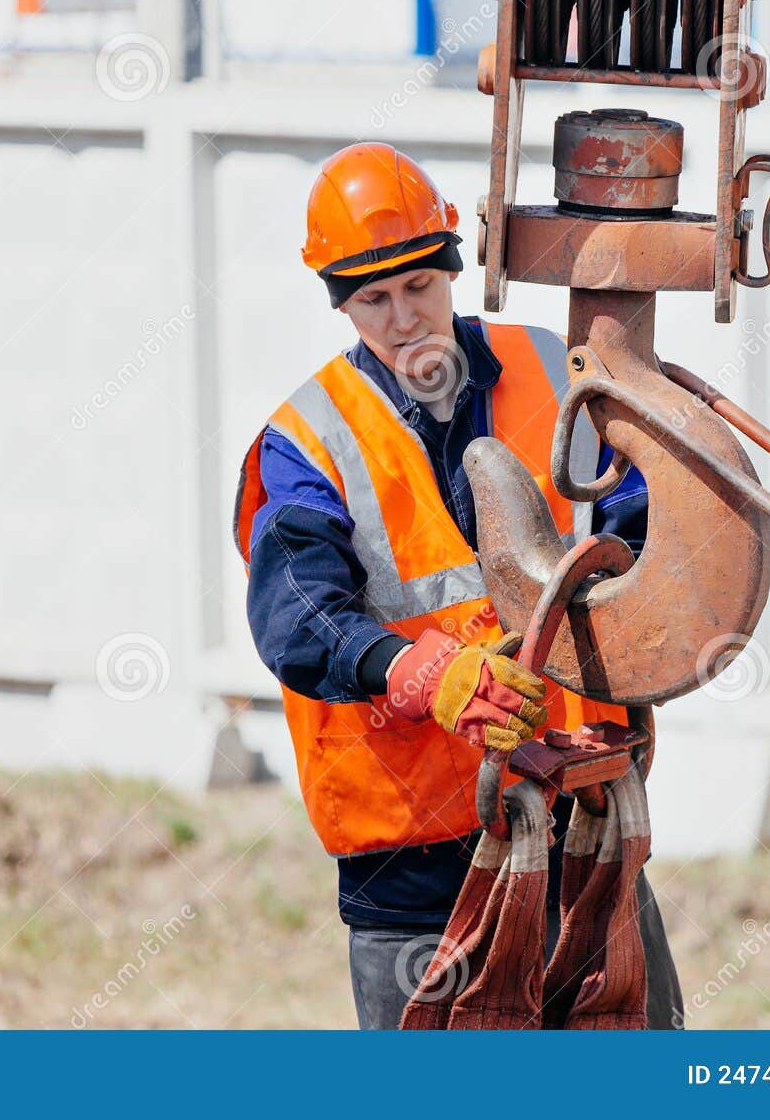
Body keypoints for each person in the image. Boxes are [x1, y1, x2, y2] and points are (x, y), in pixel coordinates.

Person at [232, 142, 684, 1029]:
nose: (405, 318)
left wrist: (628, 598)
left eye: (420, 286)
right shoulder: (307, 441)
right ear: (341, 301)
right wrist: (420, 674)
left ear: (452, 265)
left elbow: (641, 515)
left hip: (577, 822)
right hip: (413, 865)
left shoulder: (555, 371)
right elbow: (297, 613)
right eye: (374, 299)